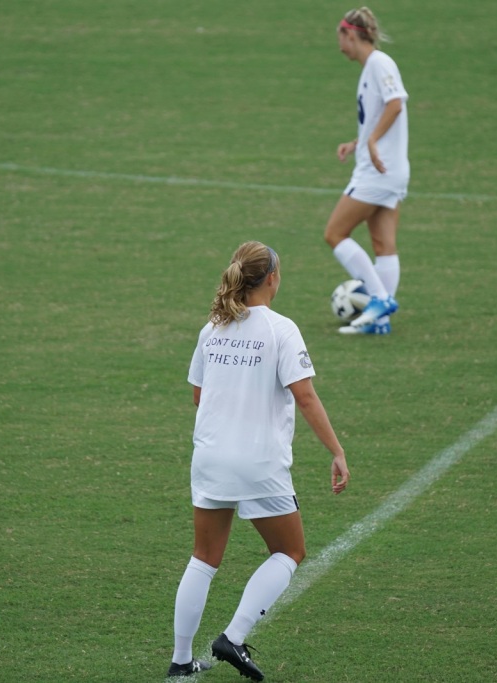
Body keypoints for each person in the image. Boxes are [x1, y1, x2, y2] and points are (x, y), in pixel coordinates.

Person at [167, 241, 351, 680]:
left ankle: (179, 662)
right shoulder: (281, 329)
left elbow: (199, 395)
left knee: (204, 558)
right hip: (258, 462)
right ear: (271, 279)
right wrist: (337, 451)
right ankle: (232, 636)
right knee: (290, 550)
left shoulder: (212, 328)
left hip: (209, 457)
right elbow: (304, 396)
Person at [325, 7, 410, 336]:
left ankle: (379, 299)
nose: (340, 47)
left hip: (378, 172)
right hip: (389, 170)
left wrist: (371, 142)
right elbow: (378, 115)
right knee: (383, 244)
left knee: (334, 233)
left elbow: (395, 103)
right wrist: (358, 141)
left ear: (351, 34)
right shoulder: (371, 68)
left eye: (340, 39)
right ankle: (380, 322)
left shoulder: (379, 63)